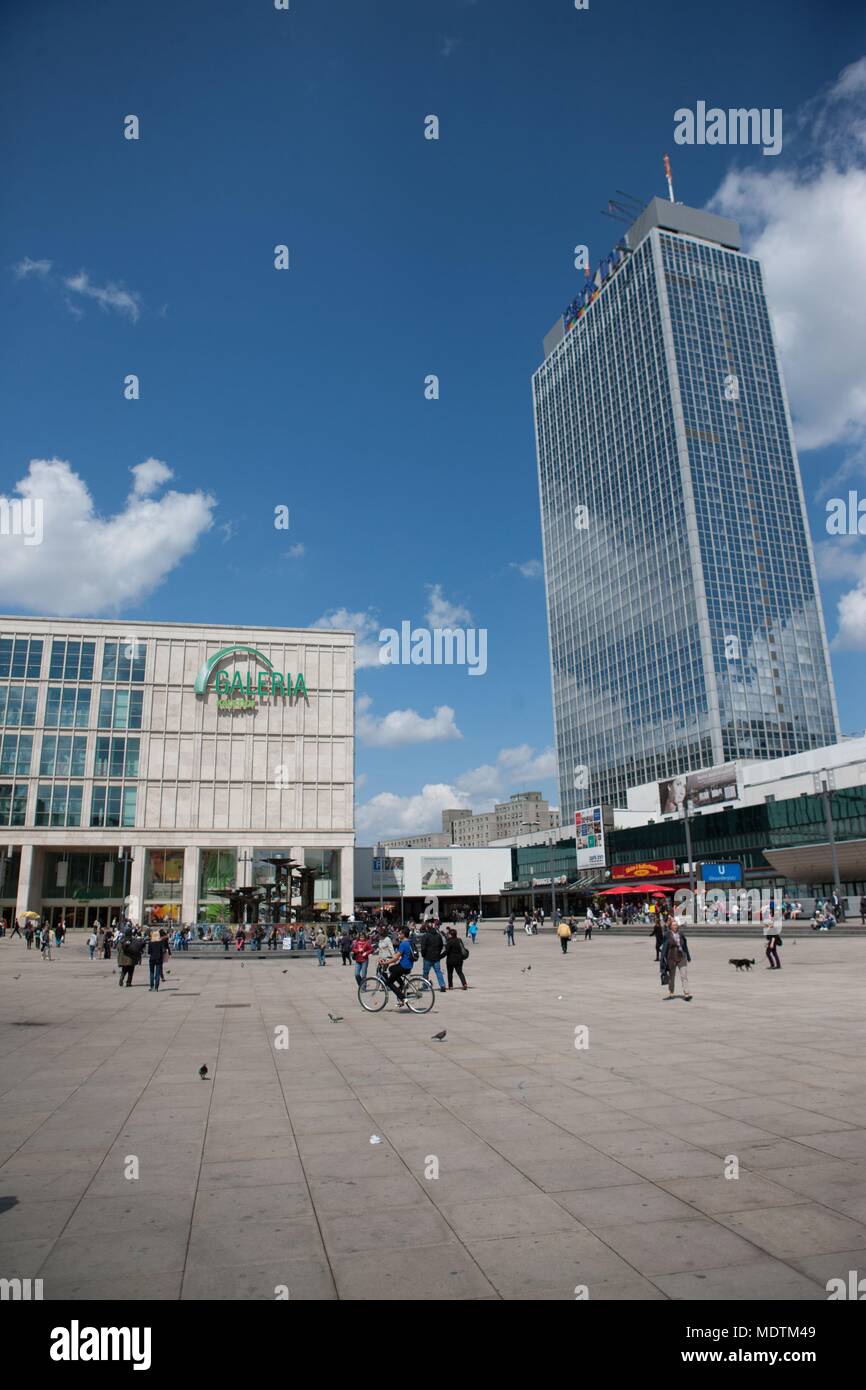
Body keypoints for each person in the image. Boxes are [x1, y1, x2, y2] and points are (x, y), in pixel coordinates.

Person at [659, 921, 692, 1000]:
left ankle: (686, 993)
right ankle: (671, 992)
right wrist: (662, 961)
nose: (675, 926)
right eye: (674, 925)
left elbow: (685, 946)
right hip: (672, 958)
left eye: (676, 925)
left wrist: (688, 956)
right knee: (672, 977)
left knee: (684, 976)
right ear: (671, 927)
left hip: (682, 957)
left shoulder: (681, 934)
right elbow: (663, 947)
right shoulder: (667, 935)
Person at [386, 928, 415, 1005]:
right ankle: (402, 985)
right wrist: (390, 957)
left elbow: (396, 958)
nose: (399, 935)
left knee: (389, 982)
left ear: (403, 934)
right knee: (391, 968)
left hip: (403, 966)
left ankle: (402, 998)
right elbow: (399, 955)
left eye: (400, 933)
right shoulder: (410, 942)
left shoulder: (403, 944)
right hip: (409, 966)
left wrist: (386, 962)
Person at [420, 922, 447, 993]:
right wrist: (438, 952)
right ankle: (442, 985)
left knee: (425, 972)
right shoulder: (438, 935)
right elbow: (441, 945)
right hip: (436, 957)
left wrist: (423, 955)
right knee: (438, 972)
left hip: (427, 957)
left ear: (427, 929)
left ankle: (425, 985)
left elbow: (423, 947)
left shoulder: (425, 936)